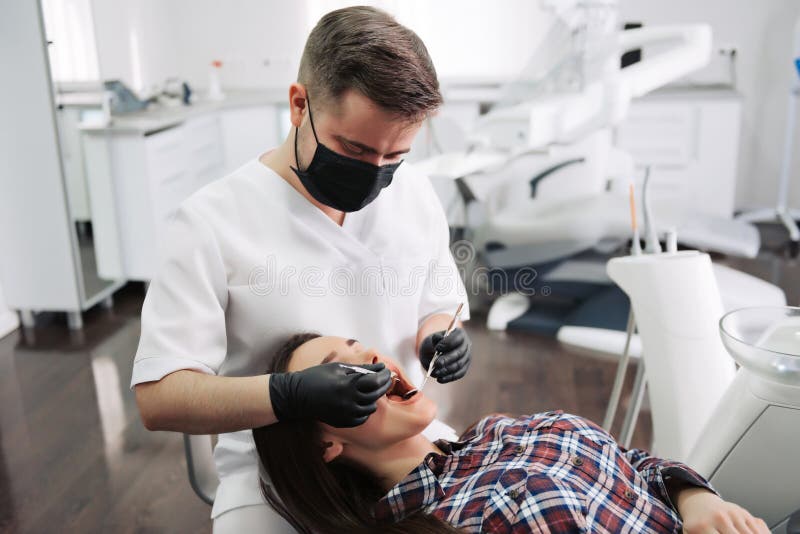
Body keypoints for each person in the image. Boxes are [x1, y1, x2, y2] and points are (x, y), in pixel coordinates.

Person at [131, 7, 472, 532]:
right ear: (298, 104)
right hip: (278, 475)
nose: (374, 174)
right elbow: (159, 398)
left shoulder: (414, 194)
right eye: (354, 149)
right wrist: (284, 396)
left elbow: (439, 303)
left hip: (400, 451)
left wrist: (437, 336)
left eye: (394, 156)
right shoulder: (210, 223)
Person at [253, 333, 771, 534]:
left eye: (357, 344)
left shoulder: (499, 431)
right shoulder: (439, 523)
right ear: (326, 444)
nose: (367, 357)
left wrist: (697, 500)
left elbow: (635, 462)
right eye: (336, 371)